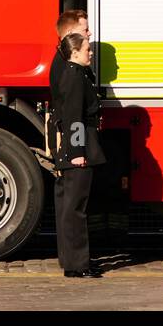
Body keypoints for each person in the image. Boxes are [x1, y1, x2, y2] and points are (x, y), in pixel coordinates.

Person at [51, 32, 106, 278]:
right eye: (87, 50)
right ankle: (77, 265)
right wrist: (76, 152)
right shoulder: (75, 77)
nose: (91, 53)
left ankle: (73, 262)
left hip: (76, 149)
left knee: (70, 207)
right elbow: (74, 117)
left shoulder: (75, 74)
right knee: (75, 209)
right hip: (78, 151)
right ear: (74, 53)